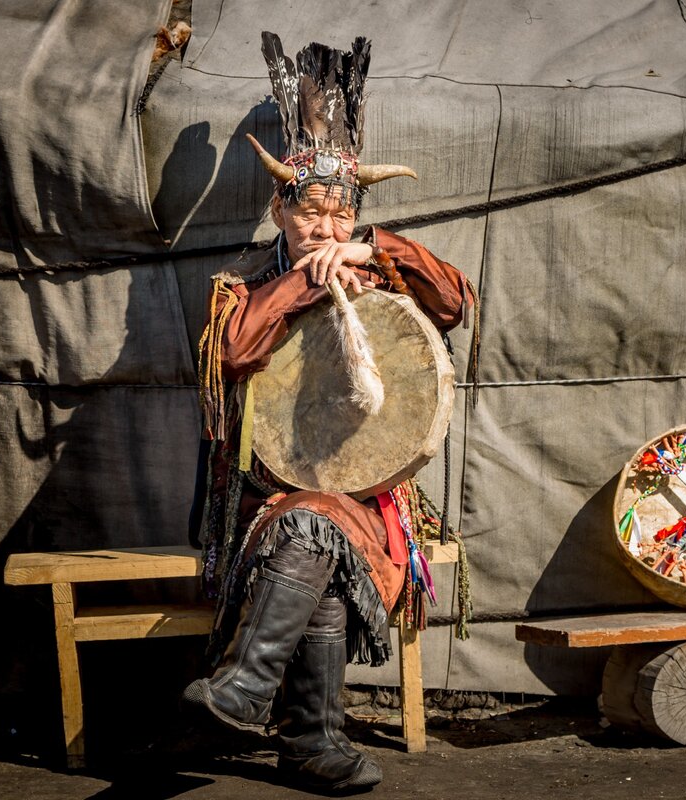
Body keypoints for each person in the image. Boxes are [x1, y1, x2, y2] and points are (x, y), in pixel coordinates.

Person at [182, 32, 472, 793]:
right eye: (311, 213)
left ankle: (248, 688)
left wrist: (374, 248)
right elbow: (235, 354)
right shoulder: (241, 291)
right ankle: (312, 738)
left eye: (342, 217)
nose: (326, 230)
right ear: (280, 208)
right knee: (306, 524)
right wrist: (308, 284)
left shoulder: (380, 268)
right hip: (259, 495)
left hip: (372, 495)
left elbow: (456, 302)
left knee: (317, 525)